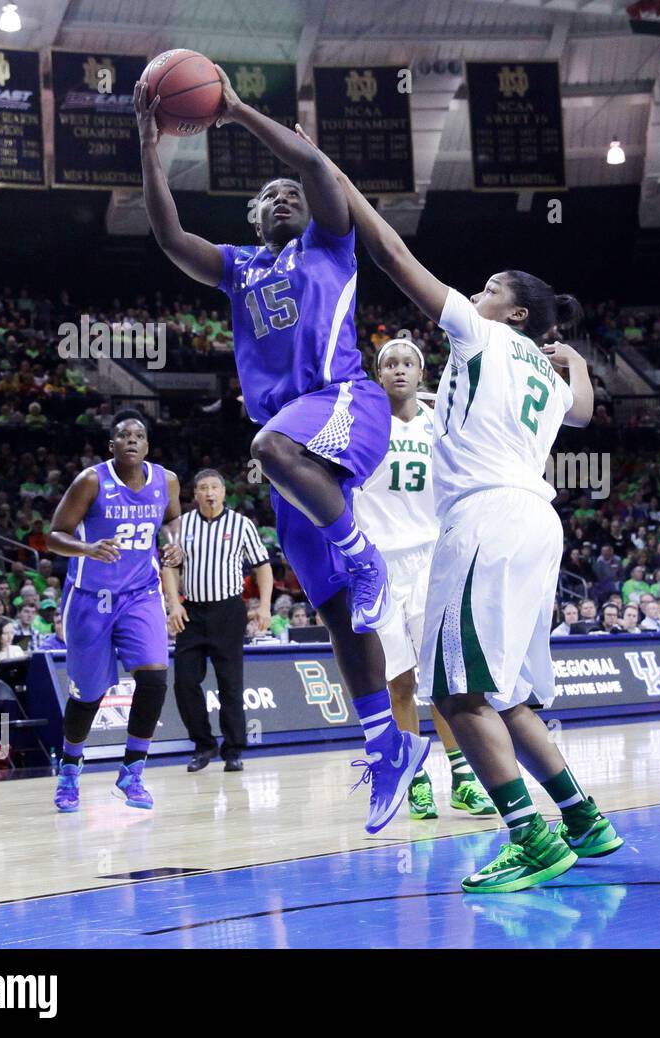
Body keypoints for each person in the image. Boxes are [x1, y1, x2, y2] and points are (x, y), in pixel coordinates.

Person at [300, 125, 621, 892]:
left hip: (482, 521)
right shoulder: (547, 374)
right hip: (537, 524)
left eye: (488, 290)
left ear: (511, 315)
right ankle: (582, 817)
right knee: (505, 693)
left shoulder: (482, 337)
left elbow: (395, 260)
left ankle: (530, 836)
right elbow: (582, 410)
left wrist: (340, 184)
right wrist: (570, 354)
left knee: (456, 693)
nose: (474, 296)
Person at [135, 73, 427, 832]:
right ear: (254, 216)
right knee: (335, 615)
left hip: (343, 403)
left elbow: (320, 170)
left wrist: (232, 110)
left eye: (289, 191)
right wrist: (149, 145)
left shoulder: (331, 246)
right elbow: (168, 239)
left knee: (268, 446)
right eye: (270, 196)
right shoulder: (239, 268)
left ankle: (363, 553)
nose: (285, 196)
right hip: (298, 449)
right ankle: (387, 747)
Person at [351, 338, 496, 819]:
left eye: (407, 363)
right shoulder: (361, 422)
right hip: (379, 564)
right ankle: (414, 778)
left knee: (443, 681)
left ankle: (462, 777)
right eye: (389, 363)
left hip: (432, 558)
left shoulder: (440, 423)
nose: (398, 370)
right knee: (400, 683)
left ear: (420, 372)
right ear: (378, 374)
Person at [47, 409, 184, 812]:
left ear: (147, 446)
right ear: (112, 445)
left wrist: (173, 543)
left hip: (141, 593)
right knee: (88, 694)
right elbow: (54, 535)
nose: (131, 440)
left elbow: (172, 520)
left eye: (138, 436)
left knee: (155, 677)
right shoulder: (90, 481)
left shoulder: (167, 481)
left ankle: (132, 772)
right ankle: (71, 767)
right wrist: (86, 548)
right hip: (91, 597)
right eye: (123, 435)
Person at [164, 469, 273, 773]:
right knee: (184, 682)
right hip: (193, 612)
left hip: (228, 611)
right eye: (203, 488)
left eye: (215, 487)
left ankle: (233, 749)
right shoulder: (180, 526)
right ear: (194, 494)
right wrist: (174, 604)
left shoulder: (242, 525)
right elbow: (170, 568)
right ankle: (203, 744)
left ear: (224, 492)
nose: (209, 493)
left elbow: (262, 566)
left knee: (230, 685)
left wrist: (264, 606)